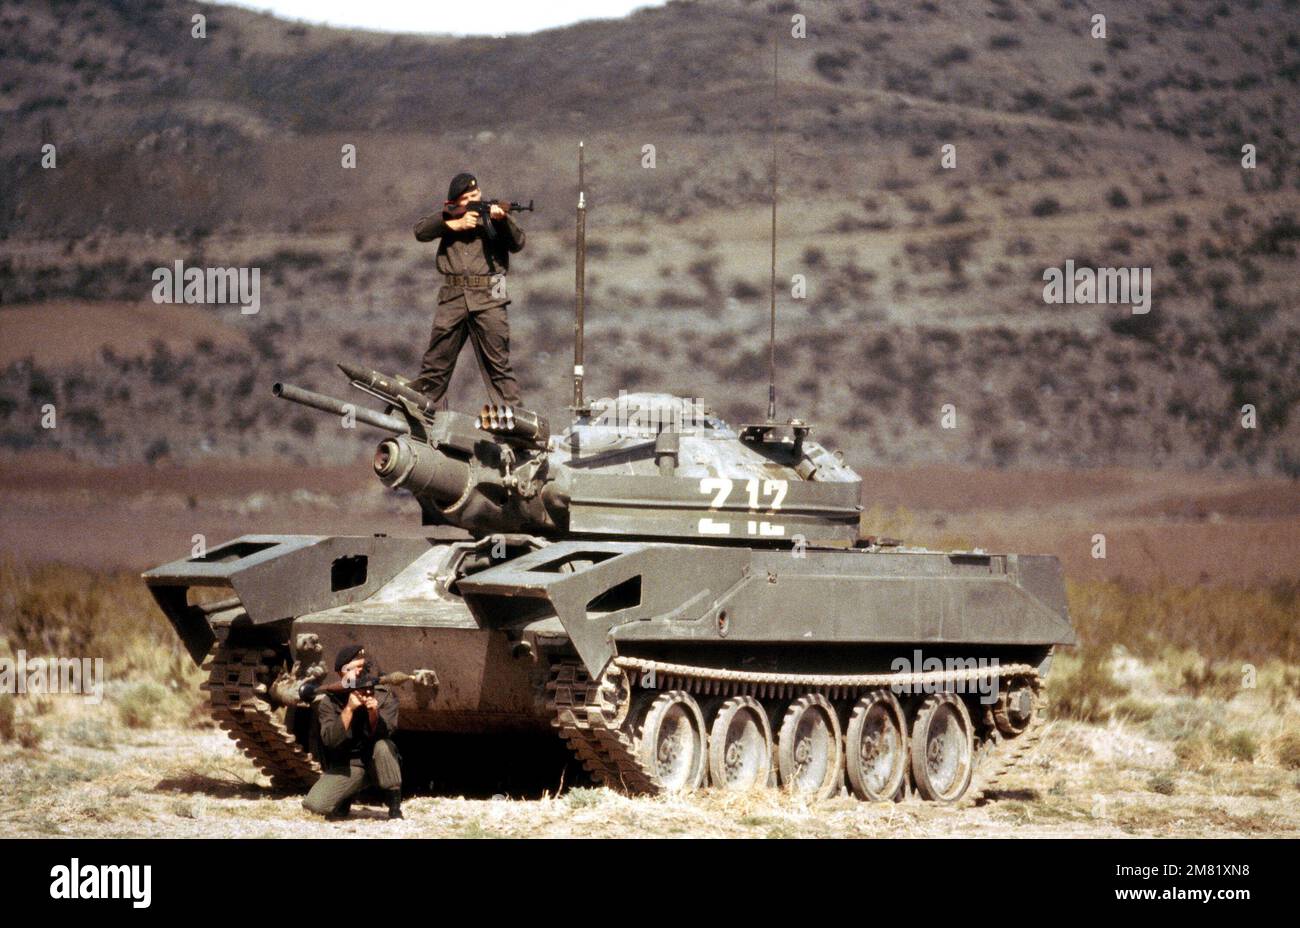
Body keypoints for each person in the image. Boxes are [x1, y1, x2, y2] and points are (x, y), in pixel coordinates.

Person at [410, 171, 526, 407]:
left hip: (490, 296)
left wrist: (501, 221)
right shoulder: (450, 216)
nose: (476, 197)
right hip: (453, 297)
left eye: (477, 193)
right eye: (469, 196)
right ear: (455, 202)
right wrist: (453, 223)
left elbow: (518, 243)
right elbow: (420, 230)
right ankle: (426, 413)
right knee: (436, 363)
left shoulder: (493, 216)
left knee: (498, 364)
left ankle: (513, 420)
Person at [302, 644, 403, 821]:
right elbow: (331, 741)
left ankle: (394, 807)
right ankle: (347, 794)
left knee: (383, 746)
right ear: (341, 672)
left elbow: (386, 733)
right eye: (353, 668)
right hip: (349, 766)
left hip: (376, 761)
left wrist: (373, 714)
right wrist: (349, 709)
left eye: (362, 667)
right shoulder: (329, 702)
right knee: (315, 805)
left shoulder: (383, 694)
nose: (358, 672)